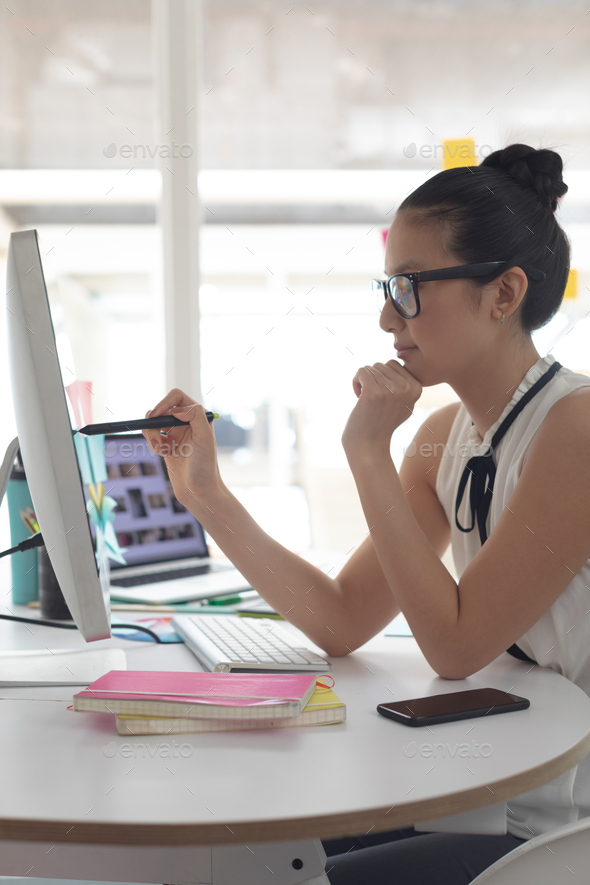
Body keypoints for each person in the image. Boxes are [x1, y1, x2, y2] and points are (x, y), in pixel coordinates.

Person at [143, 143, 590, 884]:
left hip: (555, 834)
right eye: (388, 285)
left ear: (503, 293)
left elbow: (455, 645)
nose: (388, 317)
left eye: (410, 287)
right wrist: (207, 498)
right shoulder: (446, 434)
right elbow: (344, 617)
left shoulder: (574, 427)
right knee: (239, 855)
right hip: (485, 790)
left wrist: (368, 453)